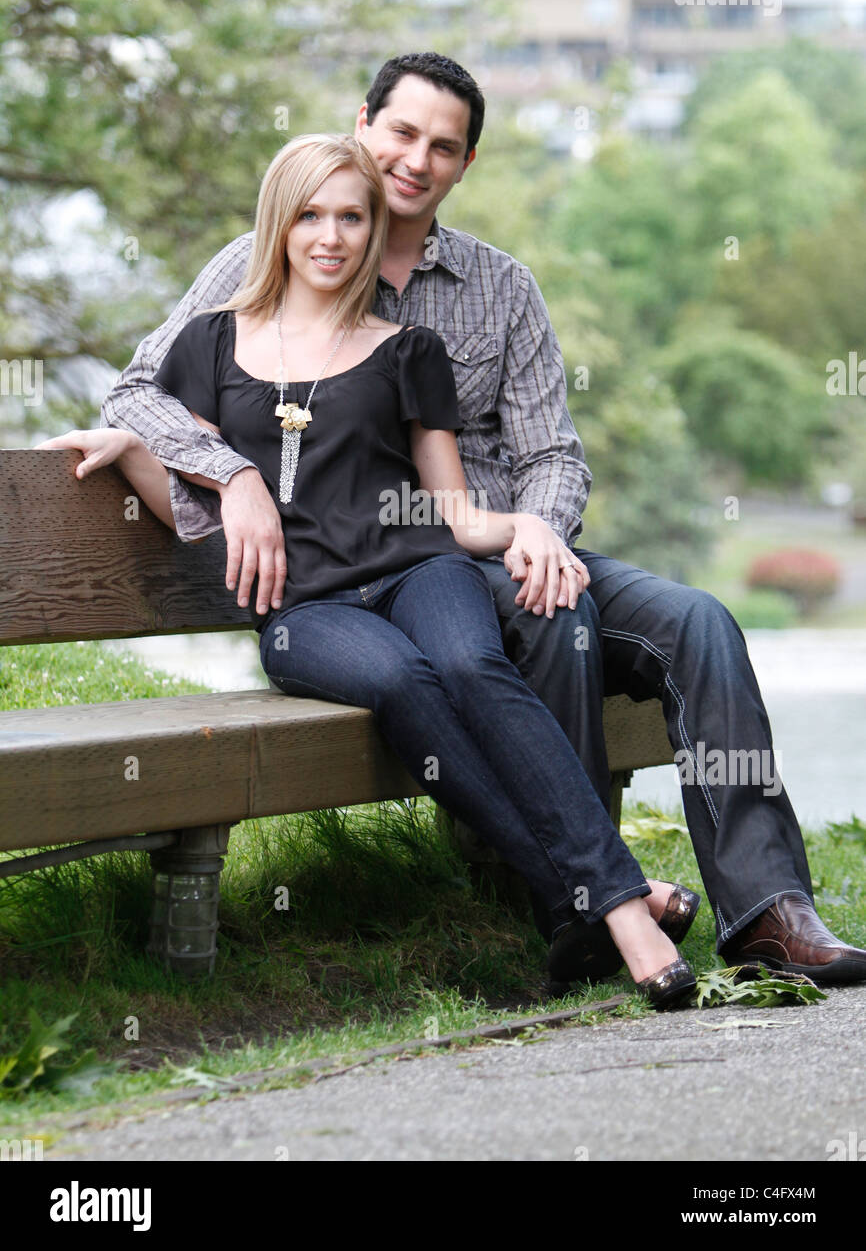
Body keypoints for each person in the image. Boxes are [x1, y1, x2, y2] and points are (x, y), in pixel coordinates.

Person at [97, 52, 866, 986]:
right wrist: (229, 473)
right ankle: (574, 906)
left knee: (697, 620)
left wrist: (540, 528)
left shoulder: (503, 288)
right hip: (381, 575)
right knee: (557, 622)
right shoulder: (276, 252)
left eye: (444, 147)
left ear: (466, 165)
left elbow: (553, 452)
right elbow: (141, 387)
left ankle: (767, 913)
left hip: (499, 542)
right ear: (363, 124)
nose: (417, 159)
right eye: (402, 133)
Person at [39, 132, 701, 1010]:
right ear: (278, 223)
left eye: (352, 217)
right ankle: (613, 895)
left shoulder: (407, 350)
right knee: (399, 680)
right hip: (304, 609)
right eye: (310, 214)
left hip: (420, 570)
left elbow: (455, 512)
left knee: (470, 663)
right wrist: (162, 456)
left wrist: (532, 530)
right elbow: (169, 468)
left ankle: (608, 913)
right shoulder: (209, 344)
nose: (330, 235)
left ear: (370, 228)